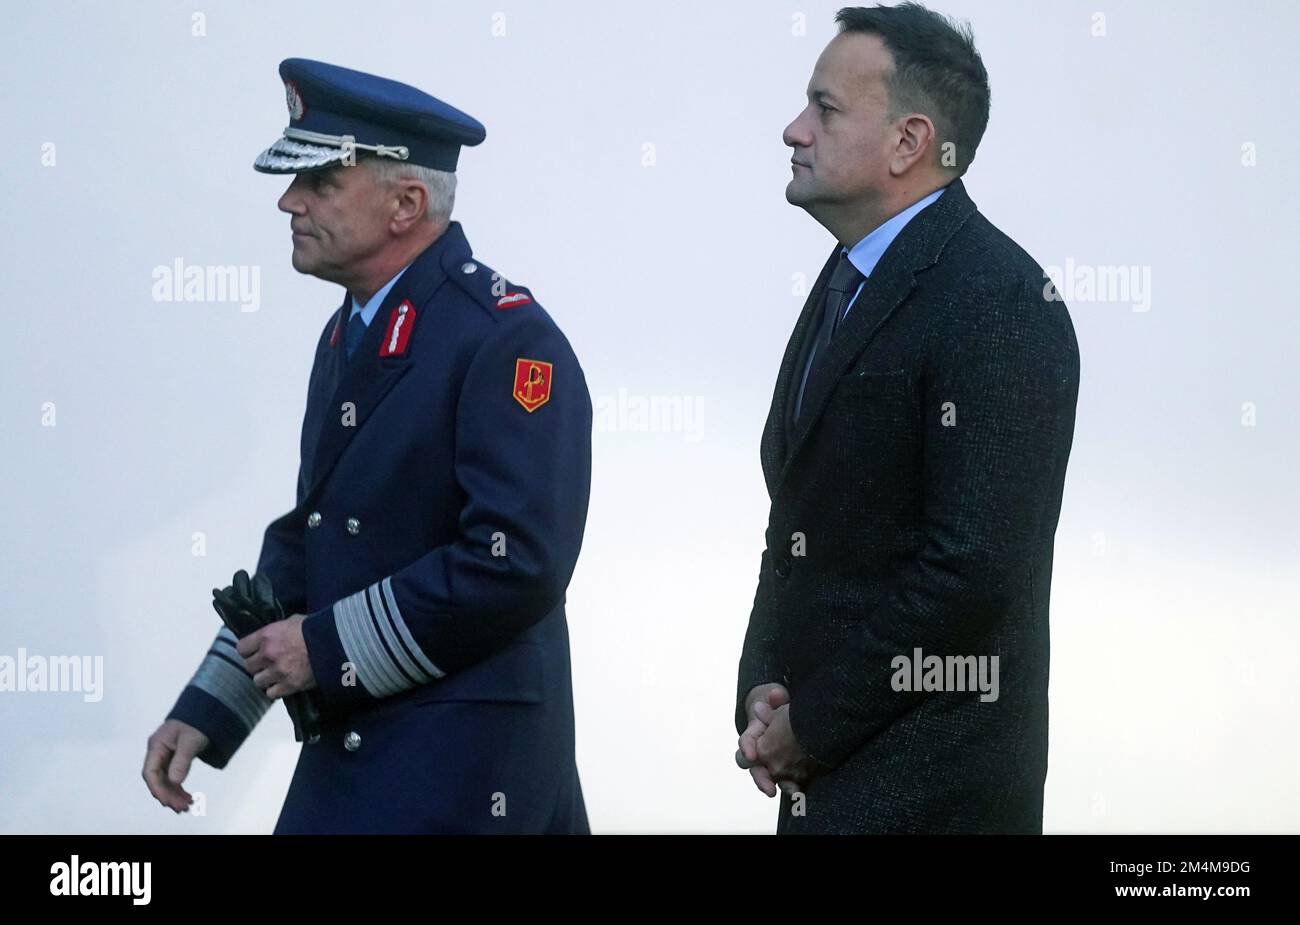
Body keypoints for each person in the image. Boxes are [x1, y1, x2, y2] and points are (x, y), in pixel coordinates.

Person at [142, 58, 592, 834]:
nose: (289, 200)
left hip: (466, 772)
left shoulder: (507, 340)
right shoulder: (354, 329)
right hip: (370, 757)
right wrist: (214, 705)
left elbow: (515, 560)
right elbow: (312, 535)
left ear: (406, 203)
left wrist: (323, 647)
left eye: (318, 181)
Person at [734, 4, 1080, 833]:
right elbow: (800, 531)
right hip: (828, 792)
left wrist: (810, 724)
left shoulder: (1001, 302)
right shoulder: (843, 283)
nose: (793, 130)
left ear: (908, 141)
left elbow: (971, 570)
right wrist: (763, 686)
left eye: (825, 108)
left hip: (933, 804)